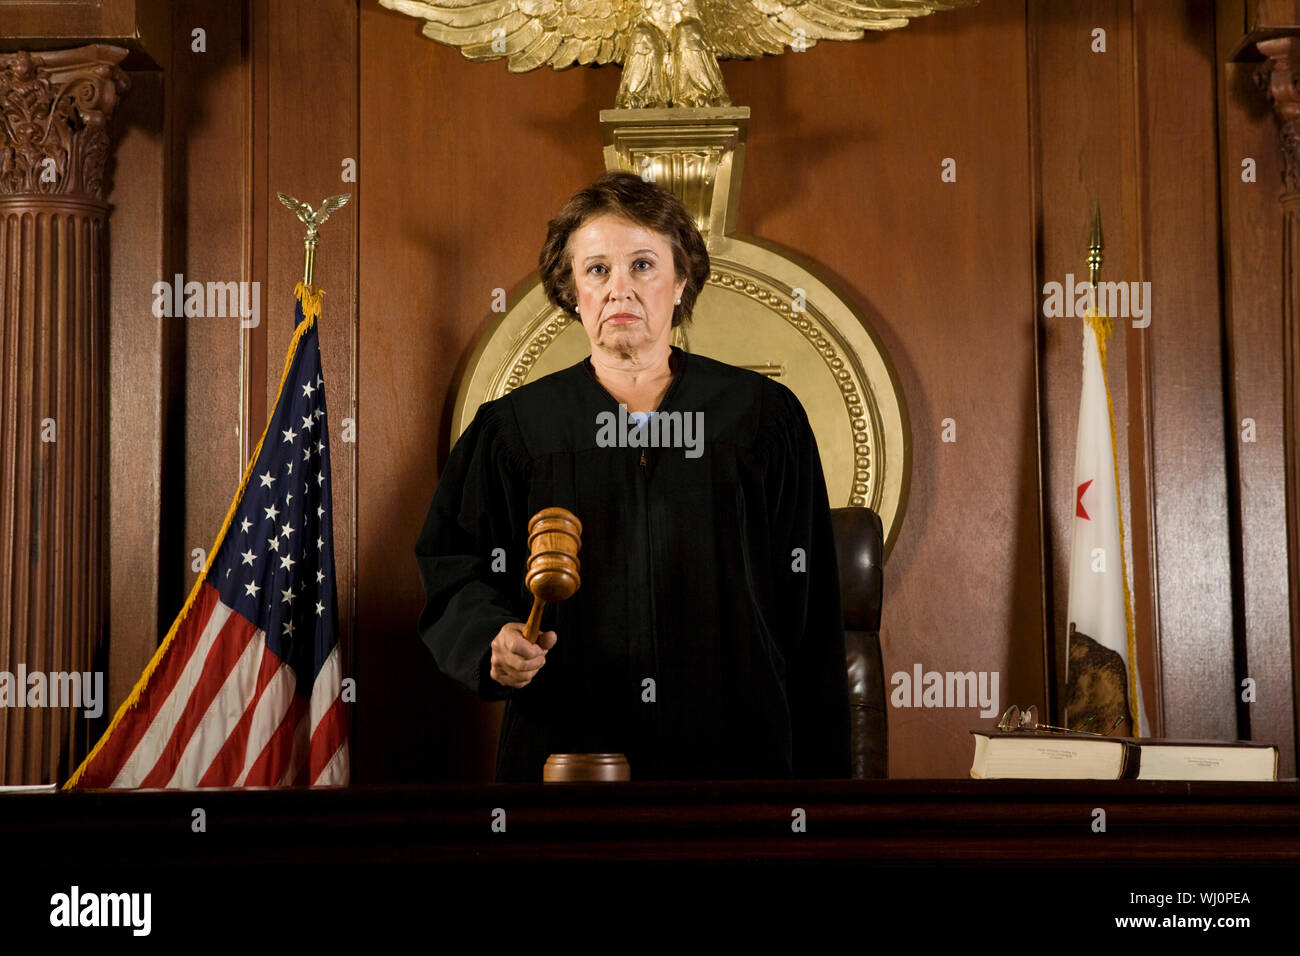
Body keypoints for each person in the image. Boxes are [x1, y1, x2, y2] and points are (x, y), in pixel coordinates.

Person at [415, 170, 850, 782]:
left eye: (642, 265)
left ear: (682, 282)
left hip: (736, 757)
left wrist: (826, 804)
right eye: (597, 270)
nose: (620, 289)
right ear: (571, 292)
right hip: (568, 753)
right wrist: (493, 639)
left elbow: (811, 622)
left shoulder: (761, 419)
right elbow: (455, 570)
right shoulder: (516, 430)